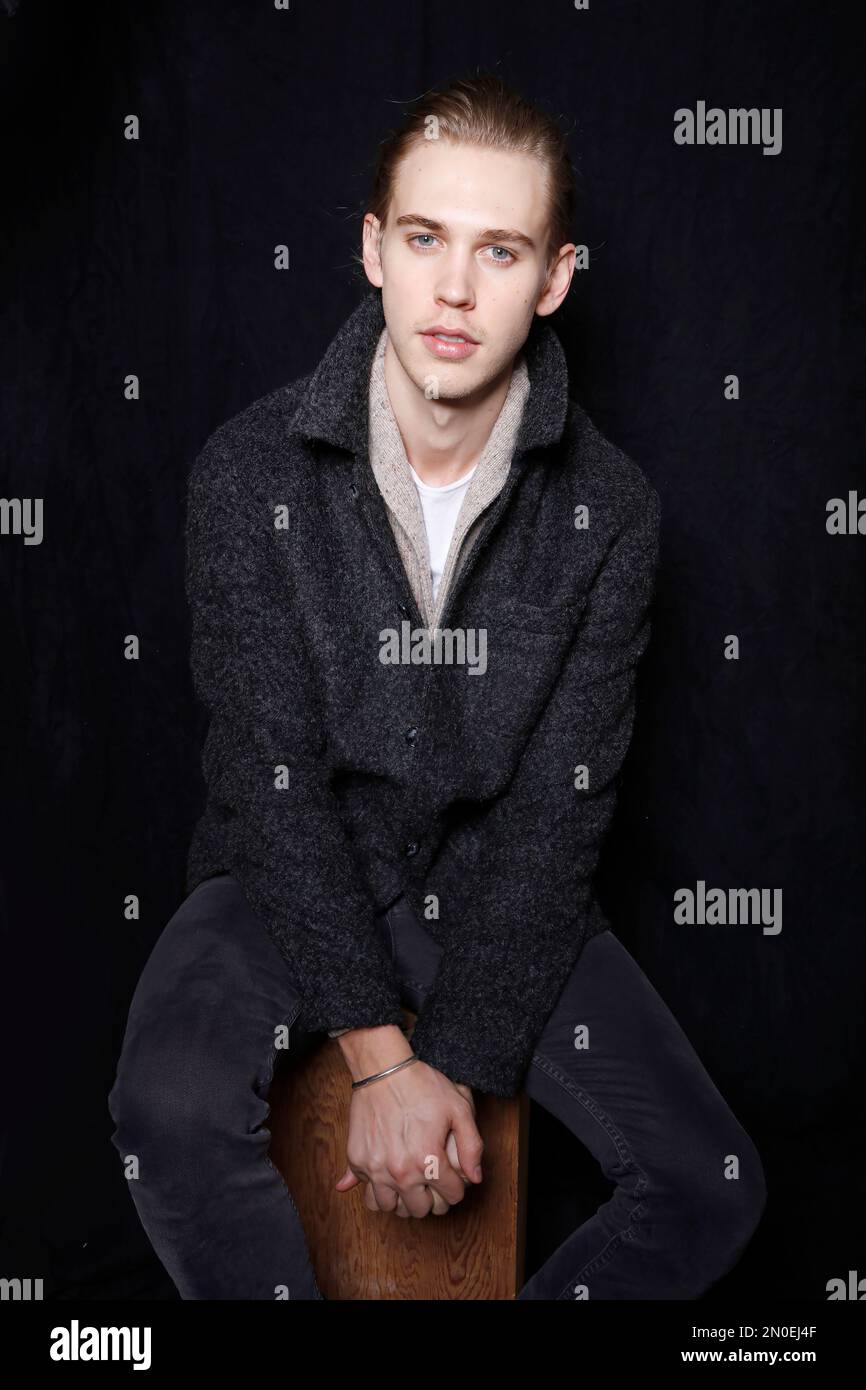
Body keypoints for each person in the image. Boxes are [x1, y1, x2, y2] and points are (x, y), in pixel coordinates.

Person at [108, 73, 766, 1299]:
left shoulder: (608, 510)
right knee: (164, 1107)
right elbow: (268, 772)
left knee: (709, 1179)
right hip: (283, 868)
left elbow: (554, 818)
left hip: (494, 891)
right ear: (373, 249)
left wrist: (454, 1056)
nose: (454, 291)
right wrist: (376, 1056)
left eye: (498, 250)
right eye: (424, 240)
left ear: (555, 277)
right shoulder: (247, 466)